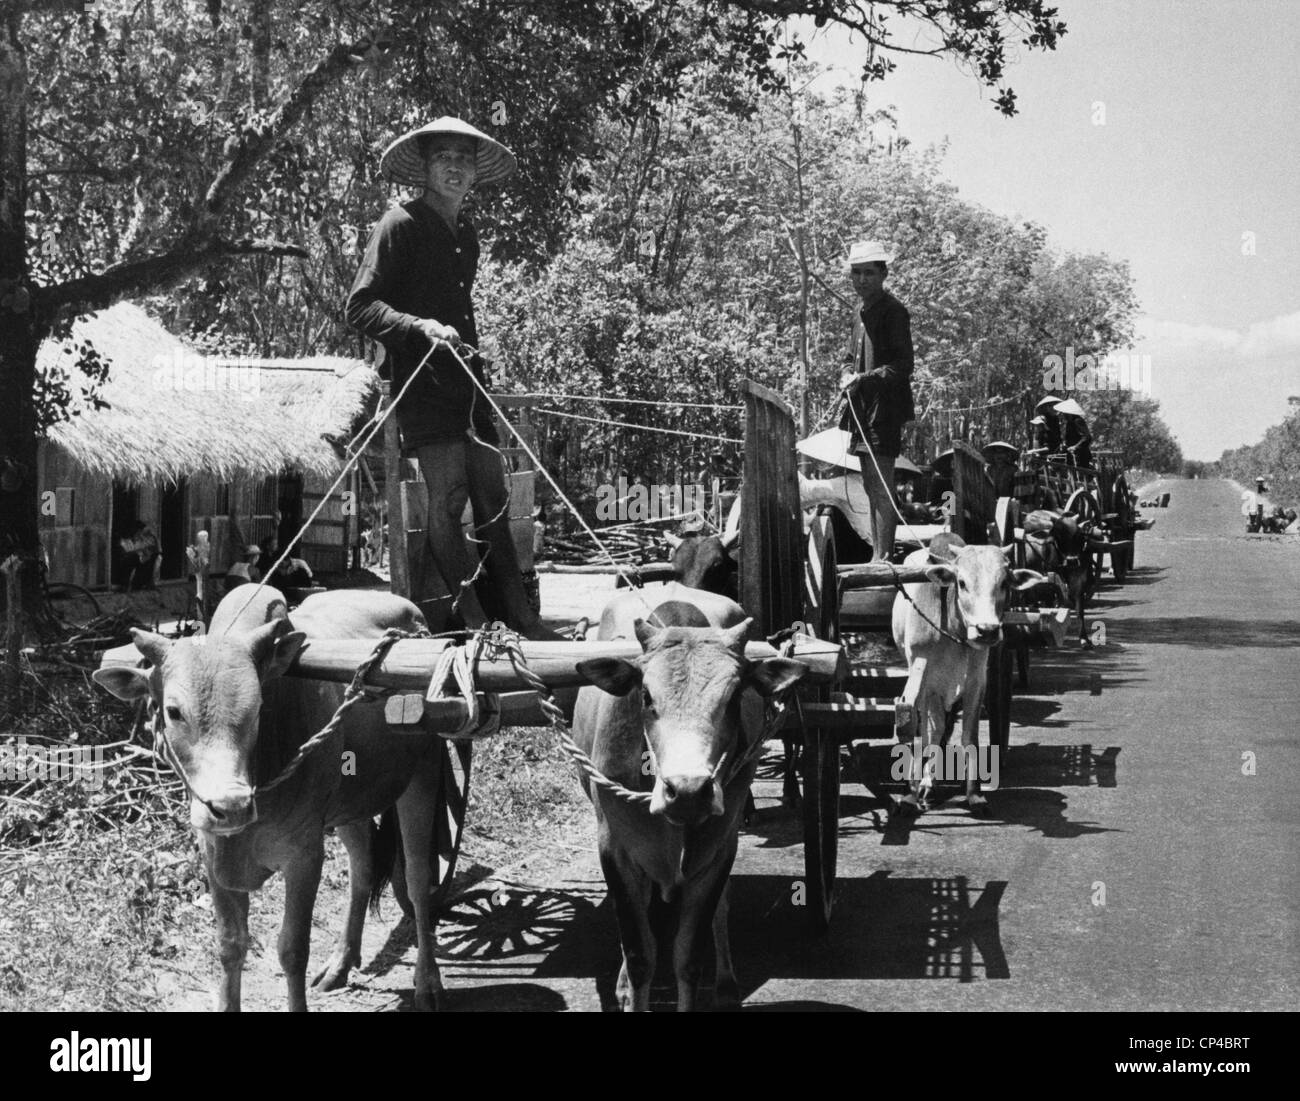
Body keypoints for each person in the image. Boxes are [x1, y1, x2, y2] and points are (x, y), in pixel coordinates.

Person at [346, 116, 558, 639]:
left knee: (494, 495)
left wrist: (461, 342)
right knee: (447, 498)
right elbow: (360, 307)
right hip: (421, 382)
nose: (455, 166)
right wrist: (419, 327)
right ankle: (475, 620)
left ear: (475, 171)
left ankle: (521, 616)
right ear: (425, 165)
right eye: (444, 156)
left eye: (464, 158)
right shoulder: (398, 223)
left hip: (467, 380)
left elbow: (457, 308)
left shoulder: (466, 233)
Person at [838, 240, 915, 562]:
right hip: (861, 410)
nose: (862, 280)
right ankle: (877, 553)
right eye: (856, 273)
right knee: (870, 485)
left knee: (881, 484)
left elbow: (903, 365)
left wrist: (865, 378)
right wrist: (845, 373)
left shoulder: (894, 311)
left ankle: (882, 558)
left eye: (869, 273)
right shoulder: (860, 312)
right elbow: (848, 356)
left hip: (884, 411)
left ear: (883, 274)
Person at [1054, 397, 1093, 469]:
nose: (1063, 414)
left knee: (1082, 477)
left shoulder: (1078, 420)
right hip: (1071, 457)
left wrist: (1075, 447)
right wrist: (1064, 445)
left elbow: (1087, 437)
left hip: (1081, 457)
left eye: (1064, 412)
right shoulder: (1069, 423)